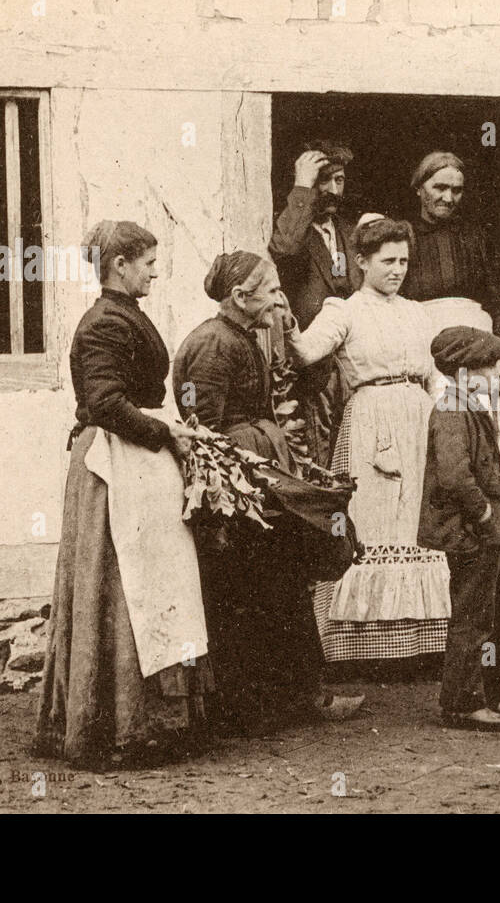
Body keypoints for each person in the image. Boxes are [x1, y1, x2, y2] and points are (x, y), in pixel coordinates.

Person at [35, 220, 210, 769]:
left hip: (133, 460)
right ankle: (117, 726)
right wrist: (166, 432)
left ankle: (145, 720)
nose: (155, 270)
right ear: (120, 264)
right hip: (112, 466)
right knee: (120, 586)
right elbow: (106, 403)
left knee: (148, 584)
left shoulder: (122, 315)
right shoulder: (103, 325)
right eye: (148, 261)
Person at [172, 250, 363, 733]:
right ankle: (252, 711)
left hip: (259, 480)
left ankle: (297, 699)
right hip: (241, 496)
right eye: (273, 289)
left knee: (279, 592)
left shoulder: (240, 336)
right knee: (248, 600)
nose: (281, 298)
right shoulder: (214, 344)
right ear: (241, 297)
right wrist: (240, 494)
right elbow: (204, 433)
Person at [281, 215, 451, 669]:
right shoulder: (344, 310)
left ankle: (423, 646)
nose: (397, 270)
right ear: (361, 261)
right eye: (387, 260)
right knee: (375, 524)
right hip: (372, 423)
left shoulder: (418, 313)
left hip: (419, 423)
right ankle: (366, 651)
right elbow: (304, 352)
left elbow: (435, 378)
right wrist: (281, 318)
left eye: (404, 261)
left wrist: (447, 425)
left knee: (418, 525)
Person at [419, 326, 500, 732]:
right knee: (474, 615)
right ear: (465, 374)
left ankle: (489, 695)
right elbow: (453, 476)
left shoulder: (471, 408)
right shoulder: (449, 411)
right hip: (473, 530)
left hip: (494, 524)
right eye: (494, 370)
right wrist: (482, 515)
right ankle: (462, 702)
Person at [269, 141, 362, 468]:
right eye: (325, 181)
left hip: (352, 365)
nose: (334, 190)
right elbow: (283, 249)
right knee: (319, 457)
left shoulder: (351, 233)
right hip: (313, 371)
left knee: (354, 452)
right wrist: (302, 186)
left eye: (339, 180)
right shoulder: (294, 229)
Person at [402, 151, 500, 338]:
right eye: (440, 188)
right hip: (419, 334)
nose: (448, 198)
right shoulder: (403, 236)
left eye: (456, 190)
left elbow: (495, 298)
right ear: (419, 188)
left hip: (472, 333)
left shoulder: (476, 238)